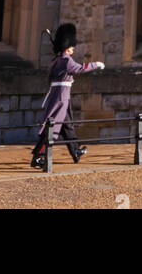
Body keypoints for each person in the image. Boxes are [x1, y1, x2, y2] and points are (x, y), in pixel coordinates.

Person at [30, 23, 104, 169]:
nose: (73, 48)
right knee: (52, 127)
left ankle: (75, 150)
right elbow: (79, 68)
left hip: (60, 95)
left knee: (66, 126)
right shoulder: (65, 60)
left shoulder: (56, 60)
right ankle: (38, 157)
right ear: (66, 45)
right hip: (61, 97)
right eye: (71, 45)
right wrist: (96, 64)